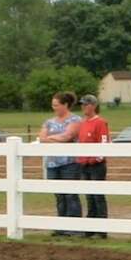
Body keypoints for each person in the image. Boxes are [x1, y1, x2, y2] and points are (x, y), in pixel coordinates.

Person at [39, 92, 82, 235]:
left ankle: (74, 227)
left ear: (65, 105)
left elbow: (68, 136)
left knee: (70, 194)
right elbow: (41, 138)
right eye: (53, 105)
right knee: (59, 195)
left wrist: (50, 138)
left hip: (69, 162)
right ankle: (61, 226)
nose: (54, 108)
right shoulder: (49, 121)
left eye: (56, 105)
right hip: (52, 163)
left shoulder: (75, 120)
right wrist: (55, 138)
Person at [76, 94, 111, 237]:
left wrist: (96, 158)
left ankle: (101, 229)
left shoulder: (100, 122)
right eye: (82, 104)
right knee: (89, 196)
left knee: (97, 196)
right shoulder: (83, 123)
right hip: (84, 164)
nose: (83, 107)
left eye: (86, 104)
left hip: (96, 165)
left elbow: (103, 142)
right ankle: (90, 228)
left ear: (93, 106)